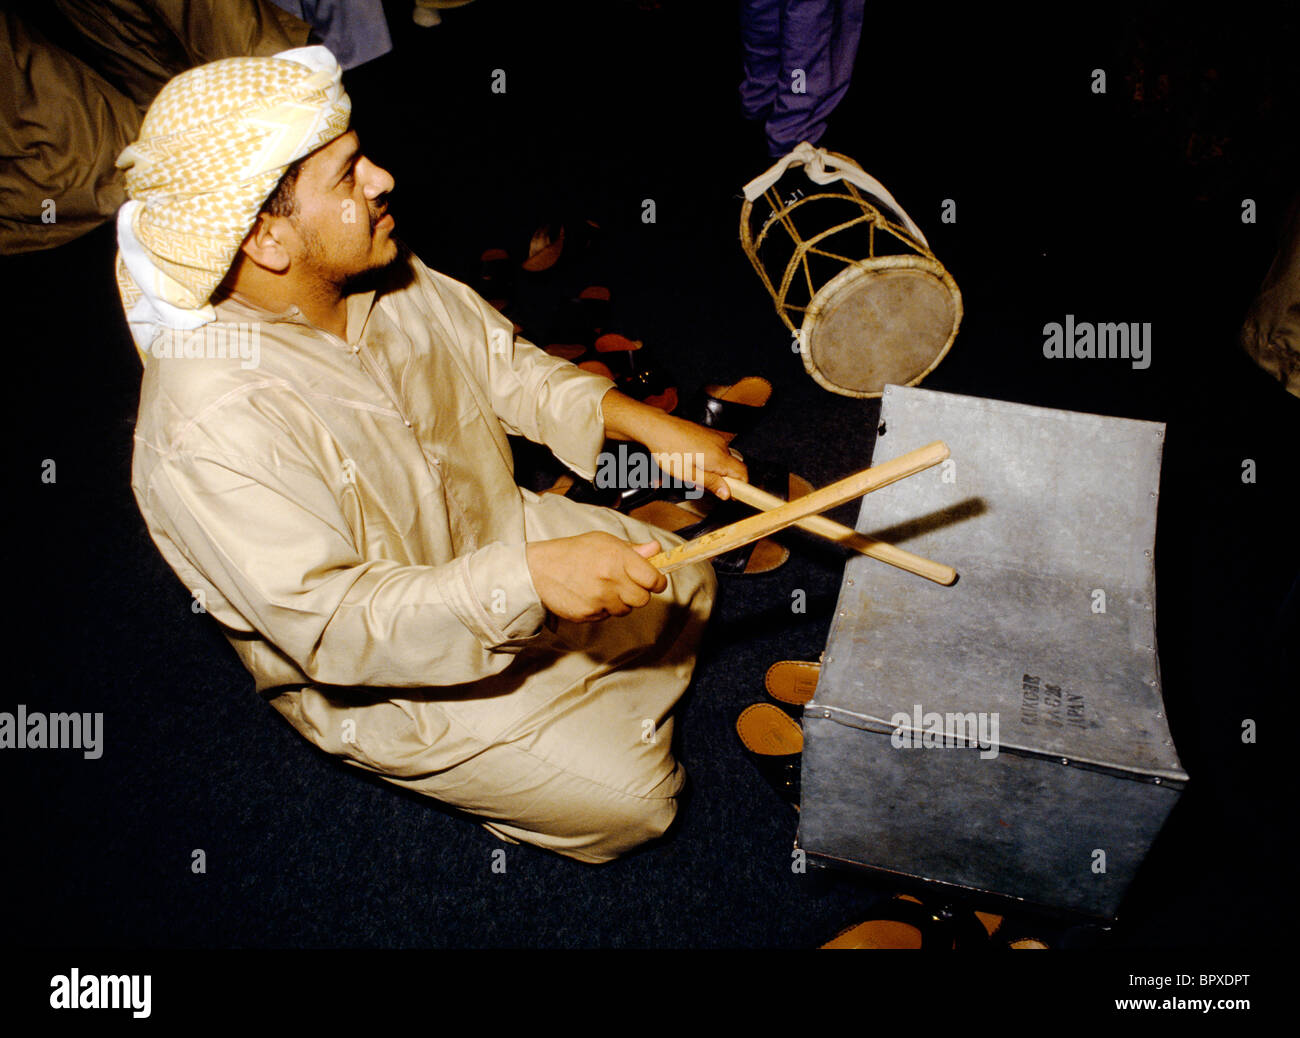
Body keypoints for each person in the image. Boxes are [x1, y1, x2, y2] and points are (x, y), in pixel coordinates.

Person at [119, 46, 745, 863]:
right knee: (638, 803)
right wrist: (530, 582)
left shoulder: (372, 266)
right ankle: (531, 725)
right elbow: (339, 627)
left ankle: (571, 688)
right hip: (388, 670)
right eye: (347, 175)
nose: (381, 180)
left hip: (495, 533)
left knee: (691, 577)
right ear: (269, 238)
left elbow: (502, 366)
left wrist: (640, 422)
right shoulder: (203, 431)